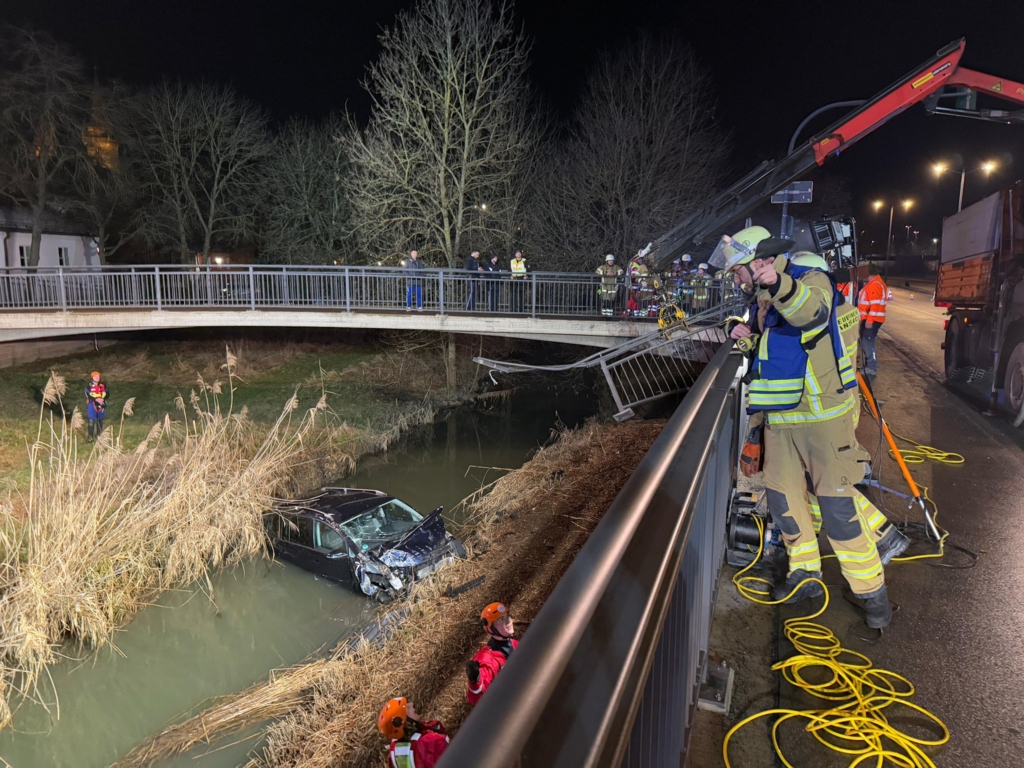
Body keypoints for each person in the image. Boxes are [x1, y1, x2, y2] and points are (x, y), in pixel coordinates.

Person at [714, 226, 892, 629]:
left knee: (839, 513)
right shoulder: (761, 299)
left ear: (758, 261)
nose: (734, 278)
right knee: (787, 507)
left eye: (737, 270)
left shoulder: (810, 282)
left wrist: (779, 284)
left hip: (823, 421)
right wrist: (739, 332)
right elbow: (768, 350)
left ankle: (871, 596)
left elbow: (811, 312)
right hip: (781, 423)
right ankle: (805, 577)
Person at [466, 602, 518, 705]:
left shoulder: (514, 643)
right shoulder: (487, 657)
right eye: (500, 620)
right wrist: (475, 680)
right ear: (490, 629)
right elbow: (477, 696)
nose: (508, 621)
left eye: (507, 617)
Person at [377, 697, 449, 768]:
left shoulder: (394, 752)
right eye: (407, 708)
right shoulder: (429, 741)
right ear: (404, 722)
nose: (411, 704)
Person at [858, 274, 888, 381]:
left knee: (867, 343)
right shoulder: (875, 283)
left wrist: (869, 321)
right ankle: (869, 366)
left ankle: (871, 367)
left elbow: (874, 305)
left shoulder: (875, 285)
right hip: (871, 319)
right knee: (865, 342)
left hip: (872, 320)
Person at [85, 370, 107, 443]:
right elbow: (87, 394)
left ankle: (99, 436)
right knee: (91, 420)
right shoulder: (89, 386)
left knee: (100, 420)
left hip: (102, 404)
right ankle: (90, 437)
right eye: (95, 377)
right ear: (92, 377)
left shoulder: (103, 385)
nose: (97, 378)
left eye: (98, 376)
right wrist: (96, 399)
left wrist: (102, 399)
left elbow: (107, 393)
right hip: (92, 404)